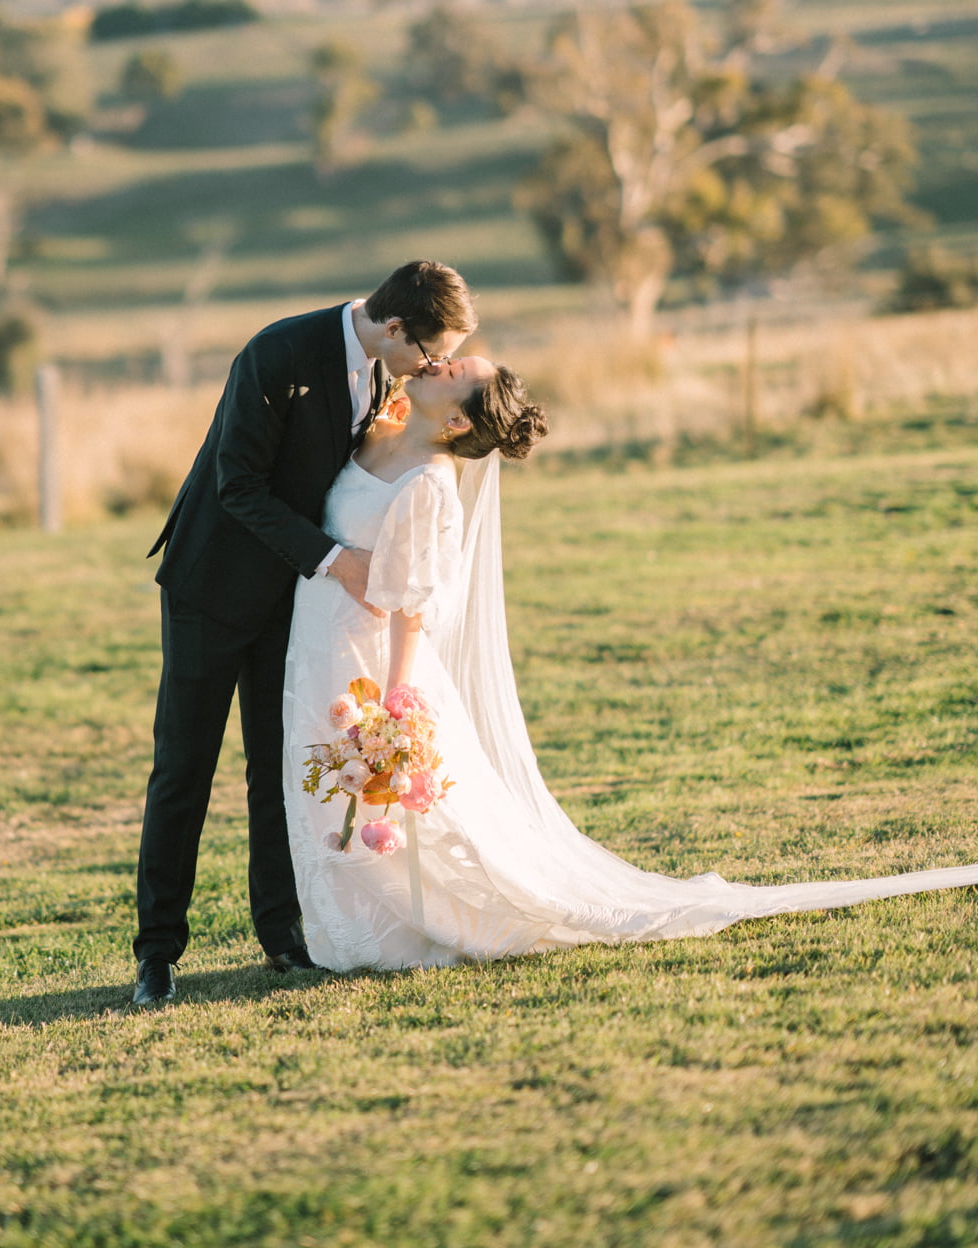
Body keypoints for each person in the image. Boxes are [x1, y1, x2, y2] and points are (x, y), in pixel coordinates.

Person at [282, 355, 978, 969]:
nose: (442, 362)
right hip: (319, 640)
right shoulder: (380, 432)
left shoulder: (429, 485)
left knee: (379, 790)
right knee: (321, 780)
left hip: (371, 664)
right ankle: (342, 926)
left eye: (457, 372)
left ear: (459, 425)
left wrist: (394, 707)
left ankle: (396, 931)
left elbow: (413, 603)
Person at [132, 261, 479, 1007]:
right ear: (392, 329)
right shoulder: (276, 353)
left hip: (292, 605)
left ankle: (281, 935)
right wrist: (337, 561)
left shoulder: (393, 378)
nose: (430, 368)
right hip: (211, 587)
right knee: (183, 769)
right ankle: (157, 954)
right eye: (426, 354)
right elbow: (238, 483)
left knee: (275, 768)